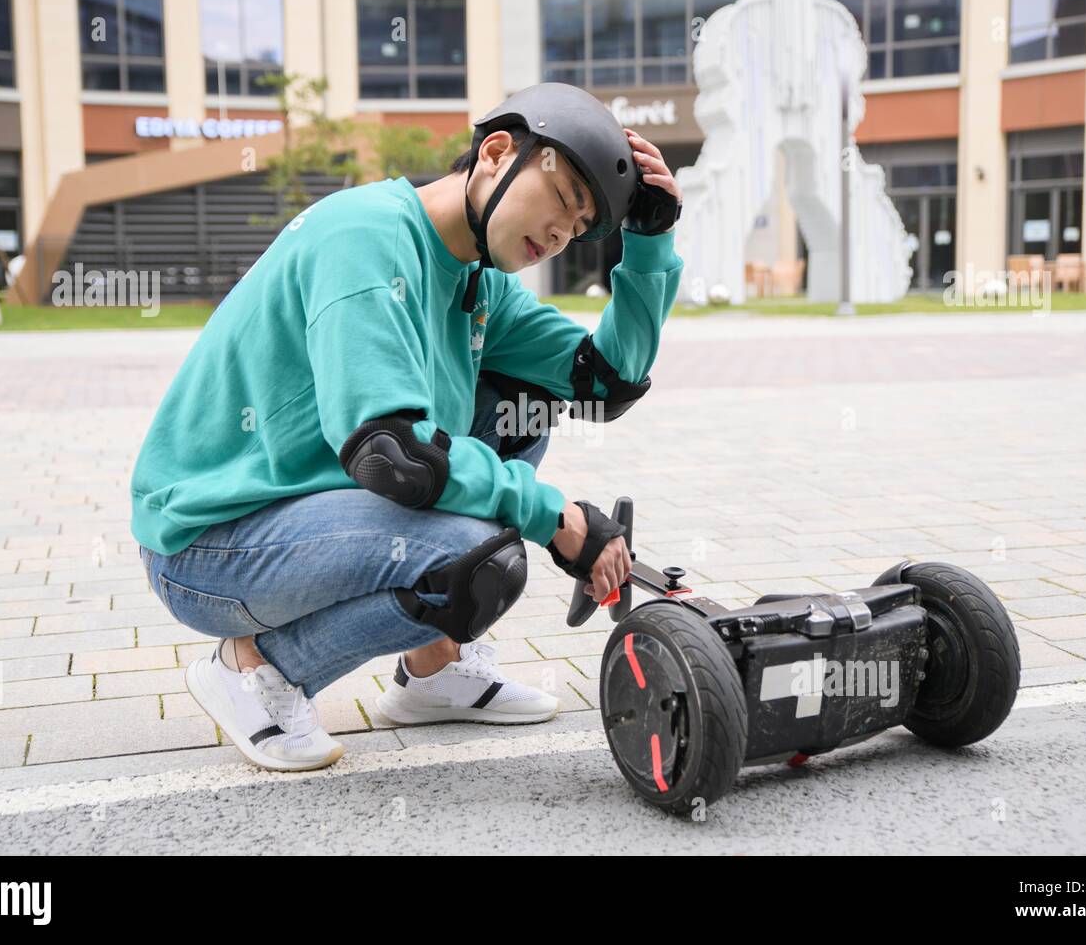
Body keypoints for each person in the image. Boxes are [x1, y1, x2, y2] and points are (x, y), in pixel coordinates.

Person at [131, 82, 684, 772]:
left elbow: (604, 383)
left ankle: (435, 671)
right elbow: (394, 457)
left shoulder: (481, 280)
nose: (562, 234)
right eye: (565, 201)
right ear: (497, 151)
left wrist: (650, 245)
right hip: (209, 544)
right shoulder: (367, 235)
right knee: (478, 557)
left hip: (309, 504)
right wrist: (559, 518)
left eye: (580, 229)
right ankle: (257, 670)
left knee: (525, 405)